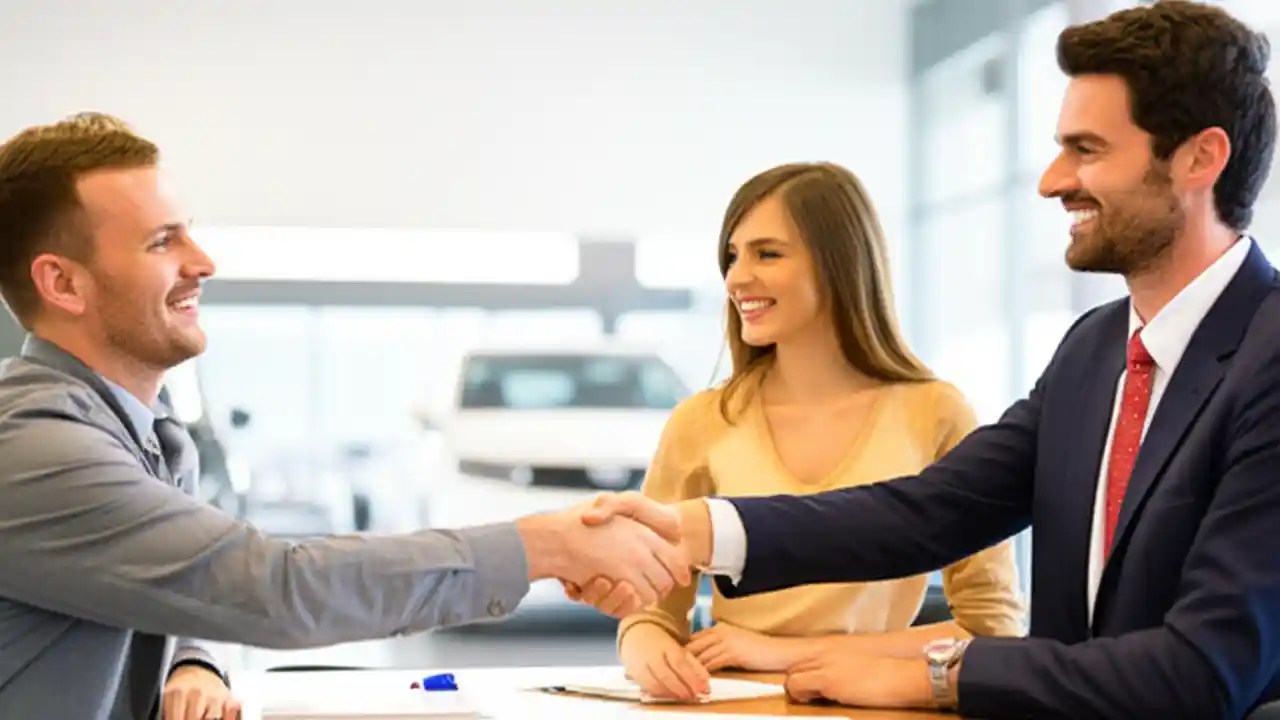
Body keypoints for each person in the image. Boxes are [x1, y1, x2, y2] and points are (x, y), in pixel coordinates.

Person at [580, 2, 1280, 717]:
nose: (1051, 180)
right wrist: (696, 529)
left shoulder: (1269, 357)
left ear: (1201, 158)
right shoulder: (1093, 351)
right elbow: (926, 512)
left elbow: (1204, 669)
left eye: (1087, 150)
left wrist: (934, 677)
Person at [0, 113, 691, 720]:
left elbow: (182, 584)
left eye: (190, 235)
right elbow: (274, 587)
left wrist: (195, 657)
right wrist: (544, 545)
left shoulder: (140, 431)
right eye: (162, 243)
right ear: (62, 283)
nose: (203, 262)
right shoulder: (35, 448)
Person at [612, 162, 1025, 700]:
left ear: (840, 263)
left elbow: (991, 629)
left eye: (767, 253)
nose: (736, 278)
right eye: (733, 256)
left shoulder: (934, 412)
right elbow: (649, 612)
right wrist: (646, 647)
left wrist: (781, 653)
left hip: (877, 706)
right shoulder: (702, 420)